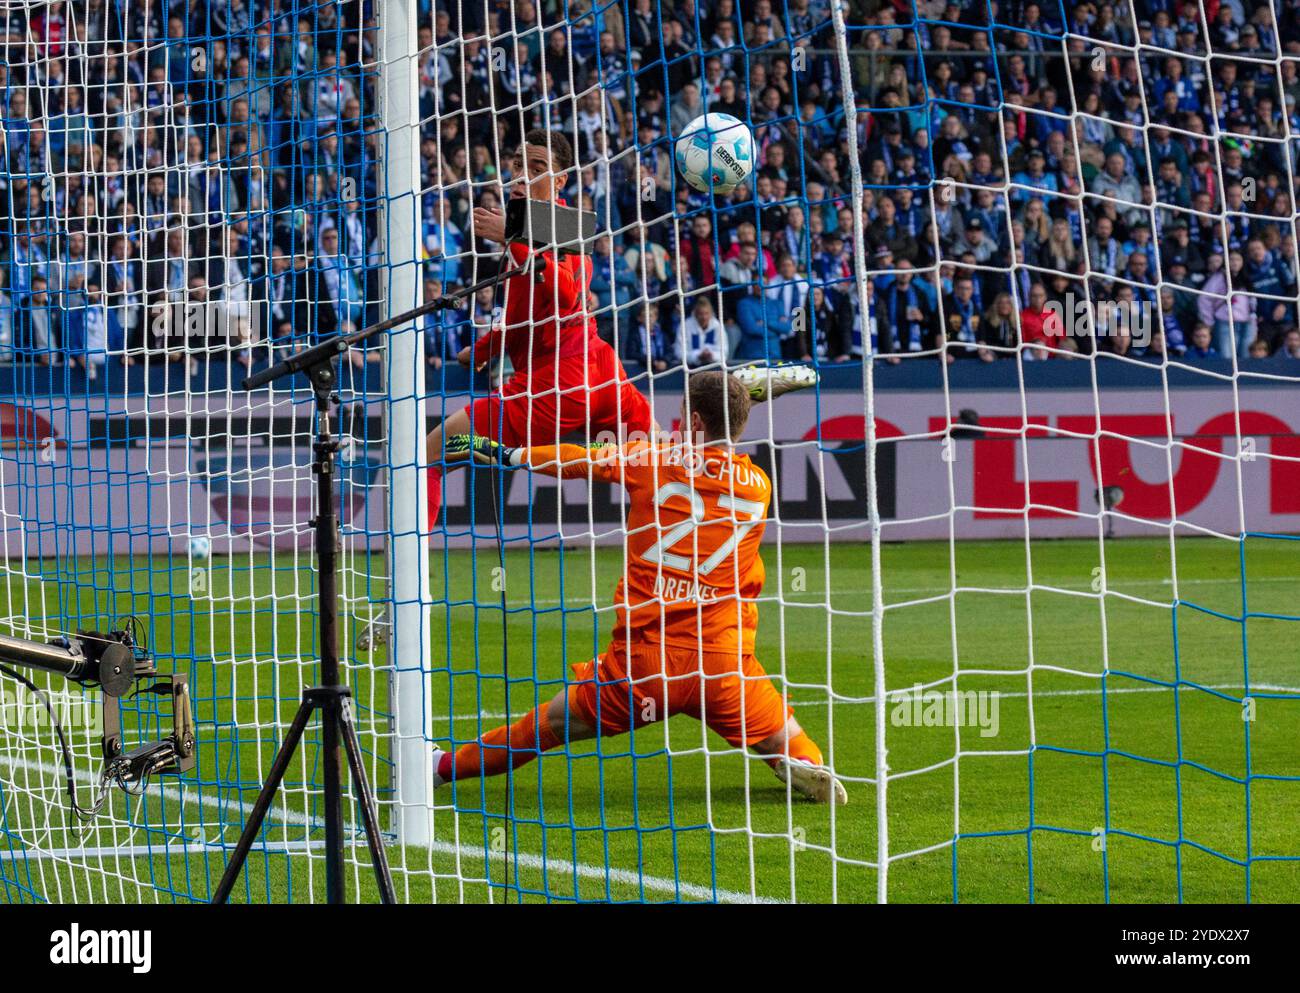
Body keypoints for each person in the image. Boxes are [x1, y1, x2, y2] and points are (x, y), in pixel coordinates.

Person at [433, 371, 847, 805]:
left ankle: (443, 768)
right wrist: (736, 406)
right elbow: (716, 441)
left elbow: (577, 457)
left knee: (547, 725)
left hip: (645, 667)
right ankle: (802, 764)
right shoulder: (759, 486)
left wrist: (507, 453)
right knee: (789, 740)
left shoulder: (649, 460)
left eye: (683, 415)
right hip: (723, 667)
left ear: (697, 422)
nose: (675, 422)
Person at [421, 131, 654, 528]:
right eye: (517, 165)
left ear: (561, 180)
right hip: (601, 369)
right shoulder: (547, 229)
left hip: (559, 381)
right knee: (657, 468)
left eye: (537, 168)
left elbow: (565, 291)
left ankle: (413, 585)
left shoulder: (569, 231)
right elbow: (521, 318)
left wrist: (511, 237)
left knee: (424, 460)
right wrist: (481, 351)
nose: (522, 177)